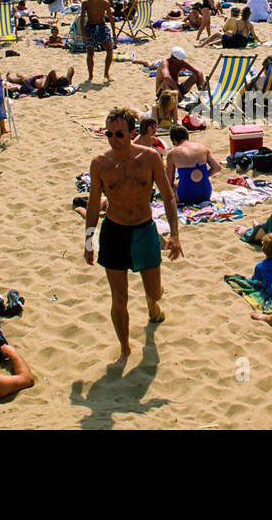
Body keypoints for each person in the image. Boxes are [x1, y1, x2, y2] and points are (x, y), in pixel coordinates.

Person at [83, 107, 183, 369]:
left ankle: (153, 304)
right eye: (109, 134)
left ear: (131, 134)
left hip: (144, 229)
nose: (113, 139)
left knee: (154, 291)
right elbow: (94, 204)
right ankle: (125, 348)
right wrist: (88, 240)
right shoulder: (99, 163)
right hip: (114, 231)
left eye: (118, 134)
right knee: (119, 298)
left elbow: (168, 196)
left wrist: (174, 234)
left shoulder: (149, 158)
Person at [164, 125, 222, 206]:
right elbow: (217, 168)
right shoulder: (203, 148)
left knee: (173, 186)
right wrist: (204, 176)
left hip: (185, 197)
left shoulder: (172, 154)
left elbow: (169, 181)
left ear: (174, 140)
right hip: (205, 194)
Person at [81, 0, 115, 82]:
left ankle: (106, 73)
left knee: (109, 50)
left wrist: (115, 35)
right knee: (90, 53)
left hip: (101, 26)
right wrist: (83, 34)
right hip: (90, 26)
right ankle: (90, 75)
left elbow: (111, 18)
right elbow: (82, 19)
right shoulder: (86, 3)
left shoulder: (104, 3)